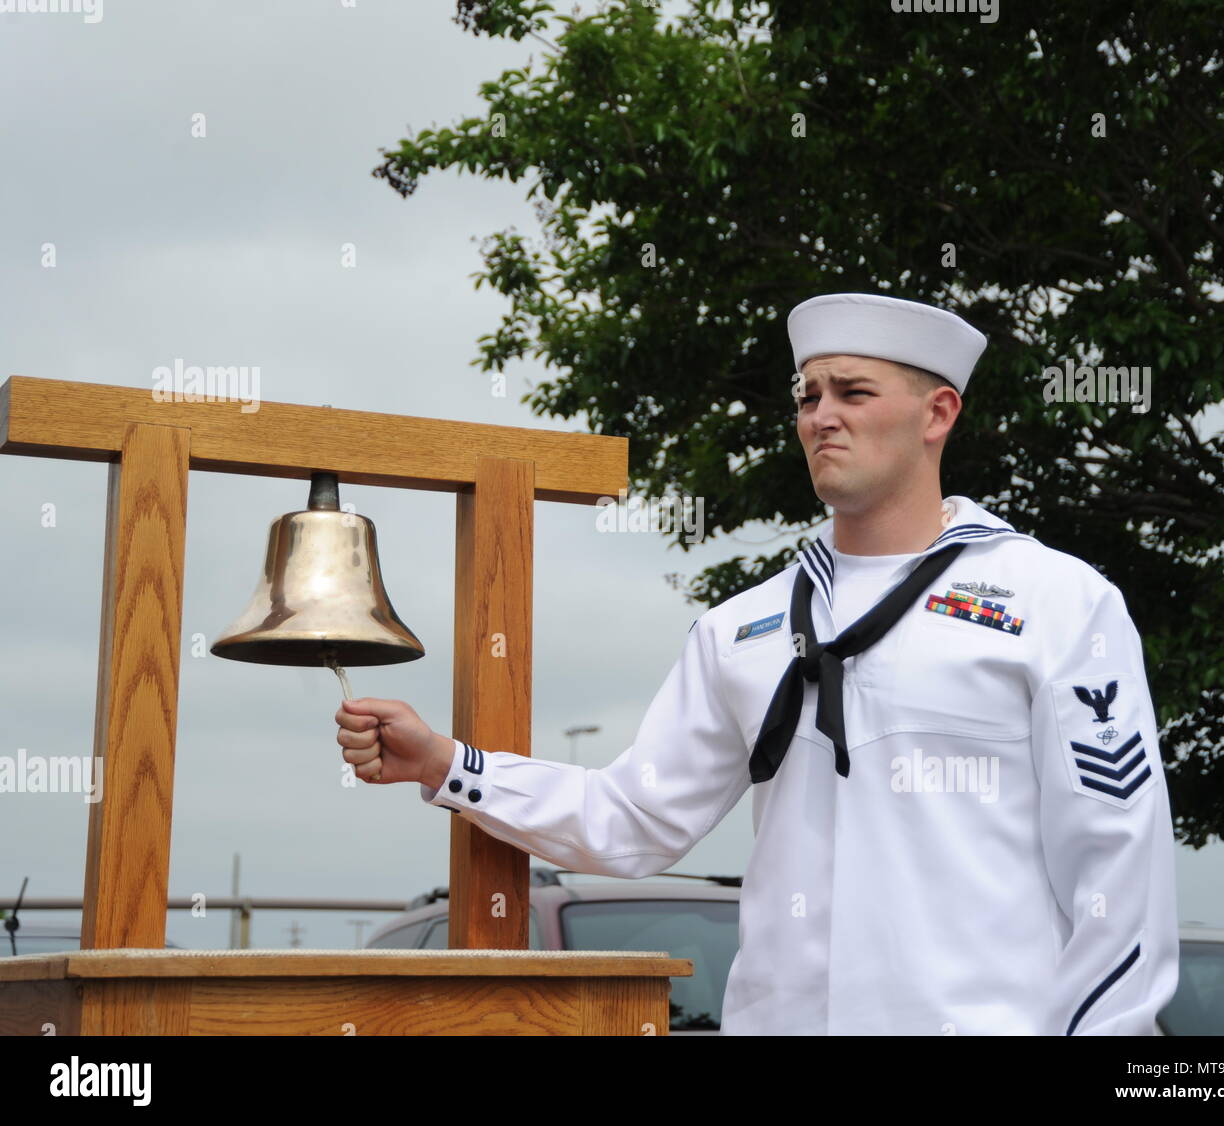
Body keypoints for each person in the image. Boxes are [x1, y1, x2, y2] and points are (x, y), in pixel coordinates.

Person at [334, 292, 1180, 1036]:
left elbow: (1117, 860)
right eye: (808, 395)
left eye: (853, 392)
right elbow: (633, 818)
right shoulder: (743, 628)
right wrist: (449, 765)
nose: (821, 417)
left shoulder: (1056, 601)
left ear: (938, 414)